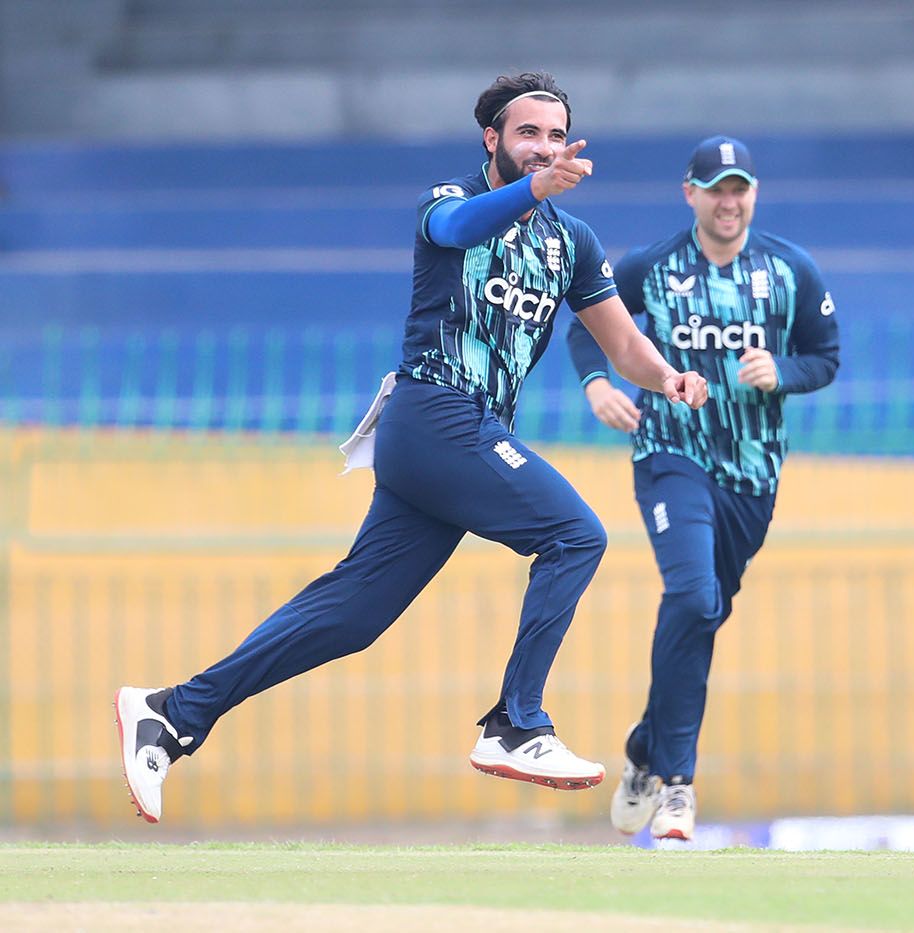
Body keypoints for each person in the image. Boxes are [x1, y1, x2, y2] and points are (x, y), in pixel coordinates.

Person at [114, 72, 708, 823]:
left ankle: (171, 712)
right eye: (528, 134)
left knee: (352, 616)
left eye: (557, 137)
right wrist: (534, 188)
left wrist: (670, 378)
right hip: (435, 416)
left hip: (456, 441)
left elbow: (622, 344)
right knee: (575, 534)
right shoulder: (447, 201)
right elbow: (458, 232)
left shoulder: (570, 241)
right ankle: (517, 724)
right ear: (491, 138)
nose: (544, 149)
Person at [566, 136, 839, 841]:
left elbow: (825, 356)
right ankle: (678, 787)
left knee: (703, 613)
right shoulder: (651, 267)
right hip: (670, 452)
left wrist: (784, 371)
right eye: (715, 188)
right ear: (689, 193)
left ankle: (642, 752)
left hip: (753, 472)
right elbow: (587, 326)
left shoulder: (790, 269)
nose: (728, 201)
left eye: (739, 188)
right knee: (690, 595)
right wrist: (598, 383)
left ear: (754, 194)